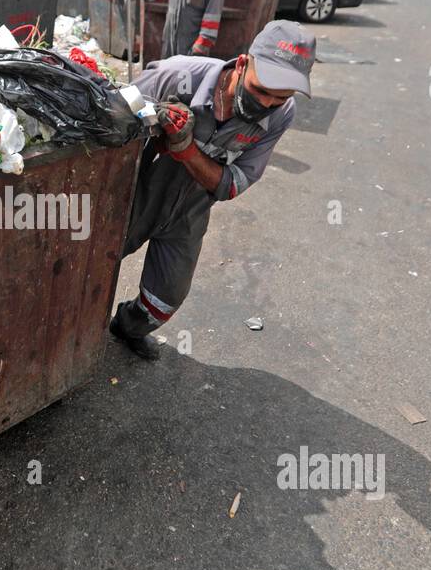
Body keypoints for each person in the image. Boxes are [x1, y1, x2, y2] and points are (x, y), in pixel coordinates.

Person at [109, 20, 316, 360]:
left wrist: (187, 150)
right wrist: (153, 123)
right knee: (92, 272)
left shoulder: (282, 115)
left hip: (189, 212)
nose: (266, 103)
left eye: (280, 97)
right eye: (261, 89)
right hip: (137, 196)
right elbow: (112, 115)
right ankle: (75, 347)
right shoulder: (177, 75)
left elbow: (234, 184)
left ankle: (126, 327)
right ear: (243, 62)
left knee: (166, 298)